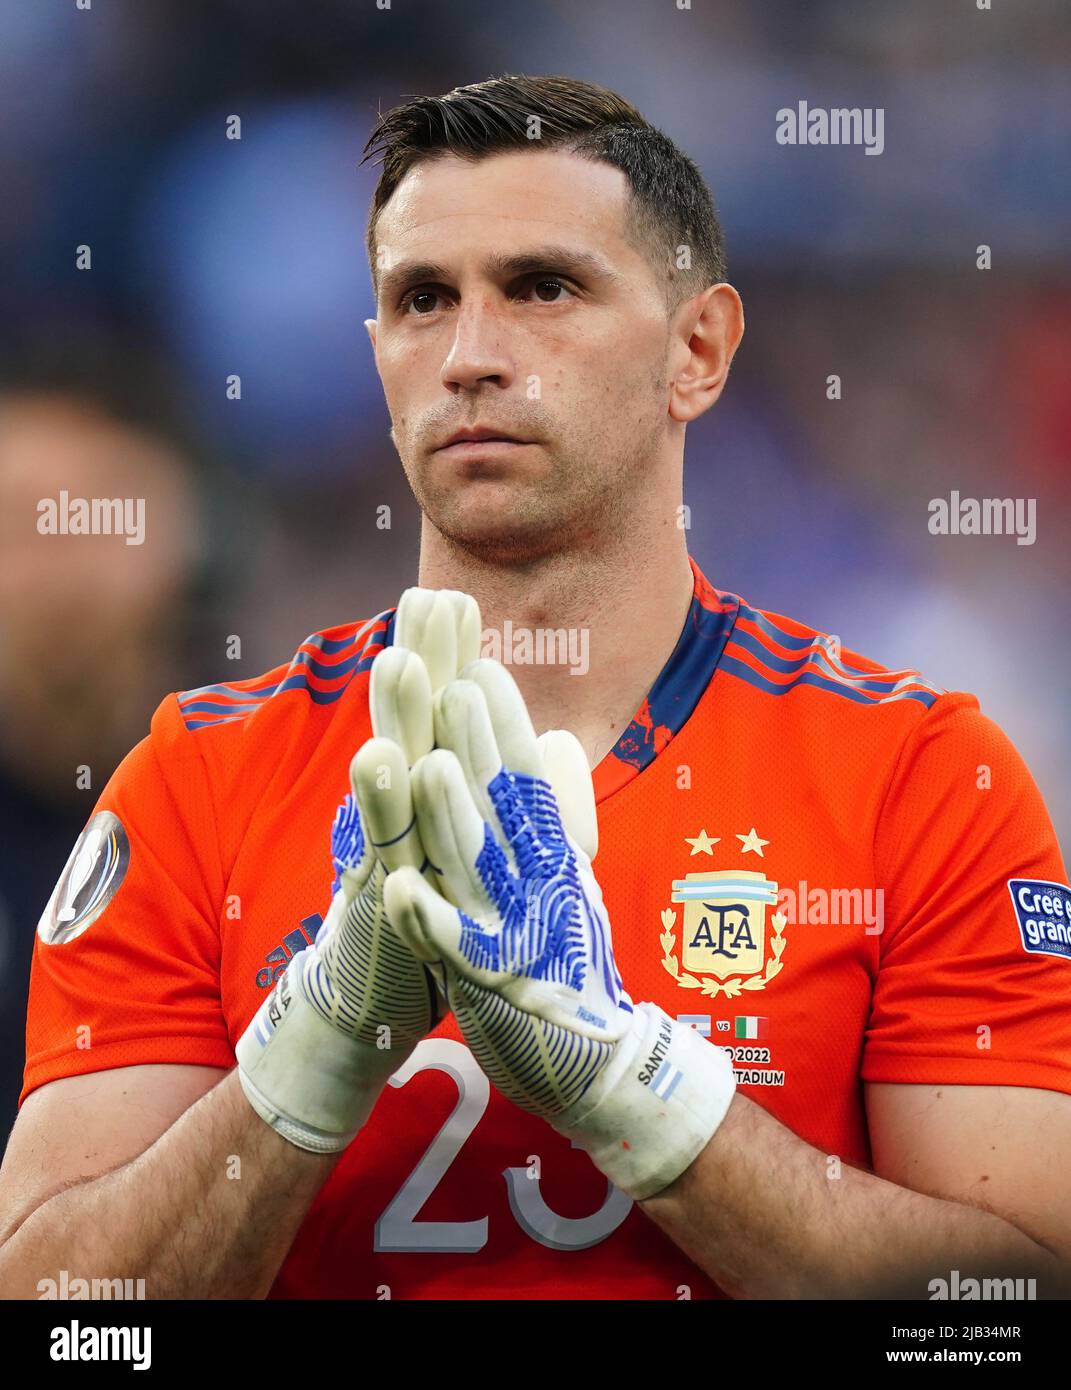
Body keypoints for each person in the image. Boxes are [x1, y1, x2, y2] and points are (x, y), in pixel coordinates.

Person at [1, 74, 1068, 1301]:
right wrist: (311, 1054)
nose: (469, 356)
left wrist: (636, 1093)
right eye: (422, 300)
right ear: (379, 356)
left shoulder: (919, 780)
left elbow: (1005, 1318)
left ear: (698, 350)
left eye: (544, 288)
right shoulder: (195, 783)